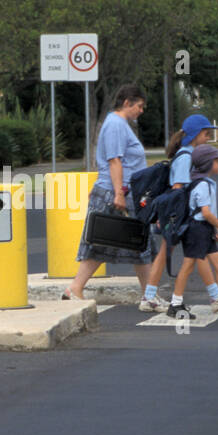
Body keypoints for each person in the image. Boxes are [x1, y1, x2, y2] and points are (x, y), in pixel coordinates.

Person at [63, 84, 153, 300]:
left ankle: (149, 295)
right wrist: (119, 194)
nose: (141, 111)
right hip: (116, 193)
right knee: (136, 241)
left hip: (121, 191)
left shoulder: (120, 124)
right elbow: (114, 161)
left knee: (129, 243)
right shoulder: (115, 125)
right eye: (139, 106)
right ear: (126, 103)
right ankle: (150, 295)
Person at [138, 114, 218, 313]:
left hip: (181, 216)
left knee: (198, 253)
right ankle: (149, 297)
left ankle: (215, 297)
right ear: (195, 134)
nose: (207, 138)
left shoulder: (187, 153)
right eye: (205, 134)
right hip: (179, 216)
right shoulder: (186, 156)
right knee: (168, 253)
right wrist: (170, 219)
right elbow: (178, 188)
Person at [168, 144, 218, 318]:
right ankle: (175, 304)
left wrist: (212, 228)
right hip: (197, 230)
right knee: (188, 266)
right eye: (216, 161)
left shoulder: (203, 183)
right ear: (207, 164)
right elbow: (205, 212)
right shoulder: (202, 185)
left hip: (203, 229)